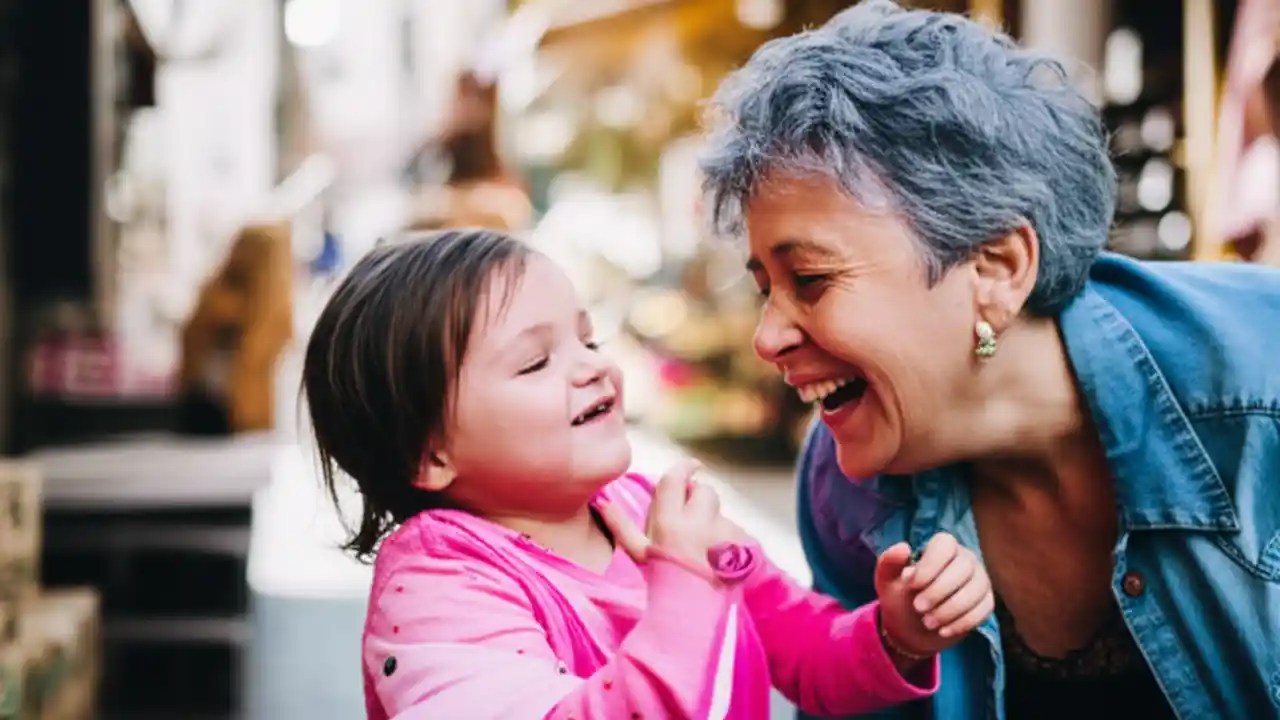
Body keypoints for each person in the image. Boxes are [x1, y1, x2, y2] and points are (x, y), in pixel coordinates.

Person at [699, 2, 1280, 718]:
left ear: (999, 268)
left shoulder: (1261, 389)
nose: (766, 338)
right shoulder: (843, 484)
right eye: (766, 289)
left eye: (811, 280)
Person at [301, 229, 994, 719]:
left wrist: (894, 636)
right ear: (430, 455)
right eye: (536, 362)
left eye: (588, 338)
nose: (593, 366)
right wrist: (687, 581)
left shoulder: (642, 510)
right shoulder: (440, 587)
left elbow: (802, 650)